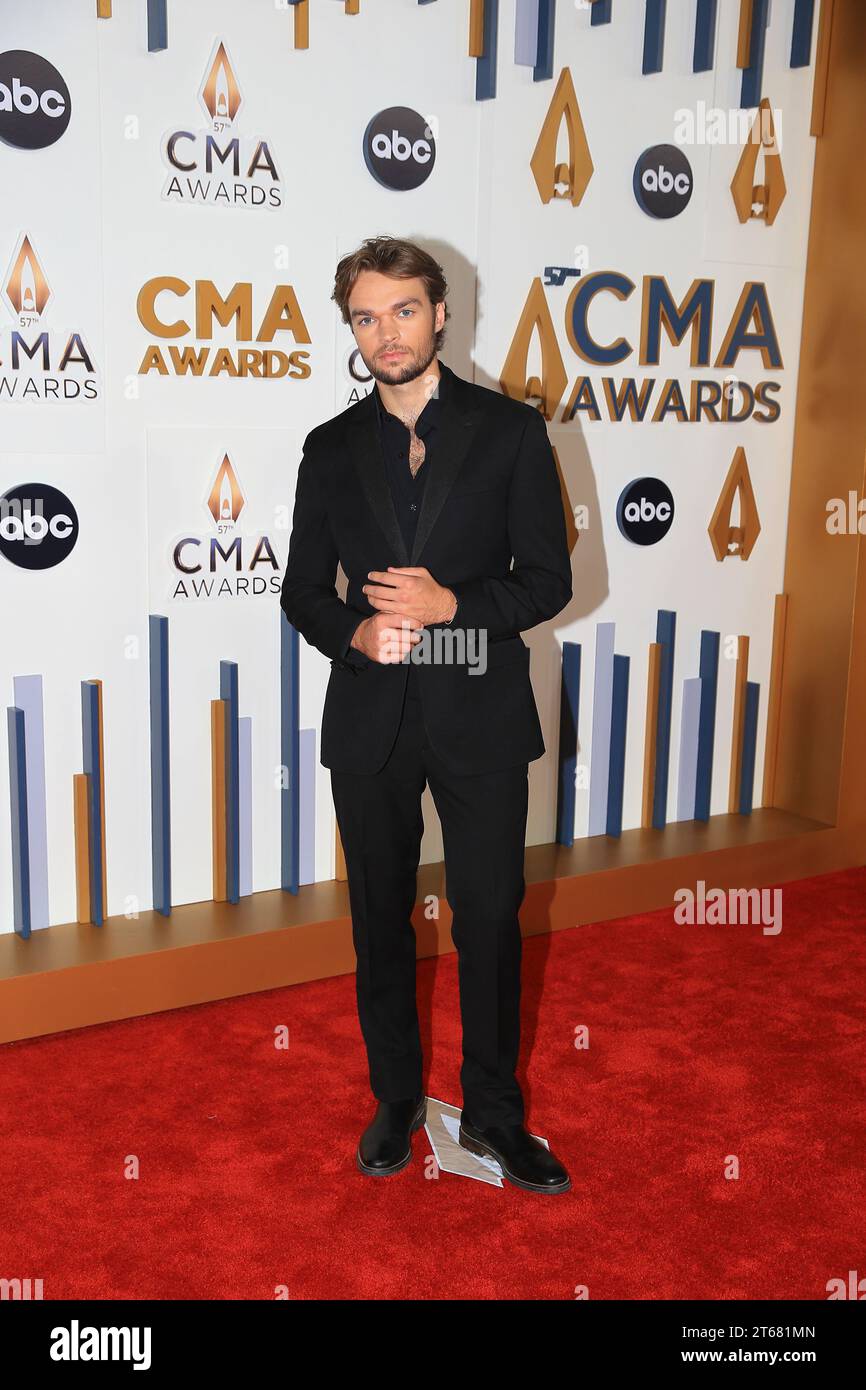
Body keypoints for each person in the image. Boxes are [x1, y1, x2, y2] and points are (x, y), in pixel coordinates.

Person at [280, 236, 573, 1194]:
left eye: (403, 310)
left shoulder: (512, 432)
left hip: (479, 709)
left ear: (440, 314)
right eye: (366, 316)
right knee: (379, 921)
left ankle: (494, 1115)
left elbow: (547, 581)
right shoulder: (327, 446)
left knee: (490, 916)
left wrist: (454, 607)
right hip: (372, 718)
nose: (385, 332)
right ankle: (395, 1099)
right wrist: (354, 635)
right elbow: (300, 591)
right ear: (352, 328)